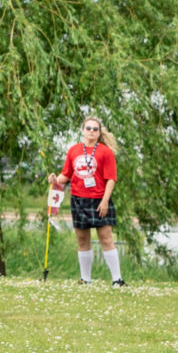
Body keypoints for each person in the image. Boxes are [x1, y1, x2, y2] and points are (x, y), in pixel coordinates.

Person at [50, 115, 122, 287]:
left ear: (99, 132)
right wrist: (55, 179)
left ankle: (117, 280)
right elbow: (66, 175)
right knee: (82, 240)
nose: (91, 131)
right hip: (78, 199)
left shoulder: (105, 152)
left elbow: (111, 178)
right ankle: (85, 279)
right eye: (88, 128)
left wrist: (105, 201)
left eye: (95, 129)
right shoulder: (73, 150)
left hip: (99, 199)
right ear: (83, 130)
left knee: (106, 238)